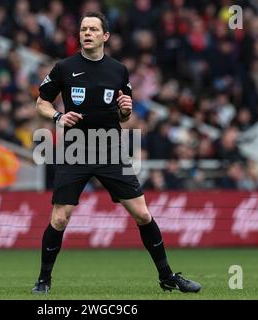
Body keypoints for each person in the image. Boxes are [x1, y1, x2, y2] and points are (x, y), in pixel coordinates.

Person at [32, 12, 201, 294]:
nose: (87, 33)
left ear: (105, 36)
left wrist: (125, 110)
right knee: (60, 217)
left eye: (93, 29)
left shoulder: (119, 70)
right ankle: (43, 279)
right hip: (75, 150)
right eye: (83, 28)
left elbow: (123, 115)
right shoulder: (64, 67)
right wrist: (58, 117)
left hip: (110, 147)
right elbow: (41, 102)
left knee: (143, 215)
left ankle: (167, 276)